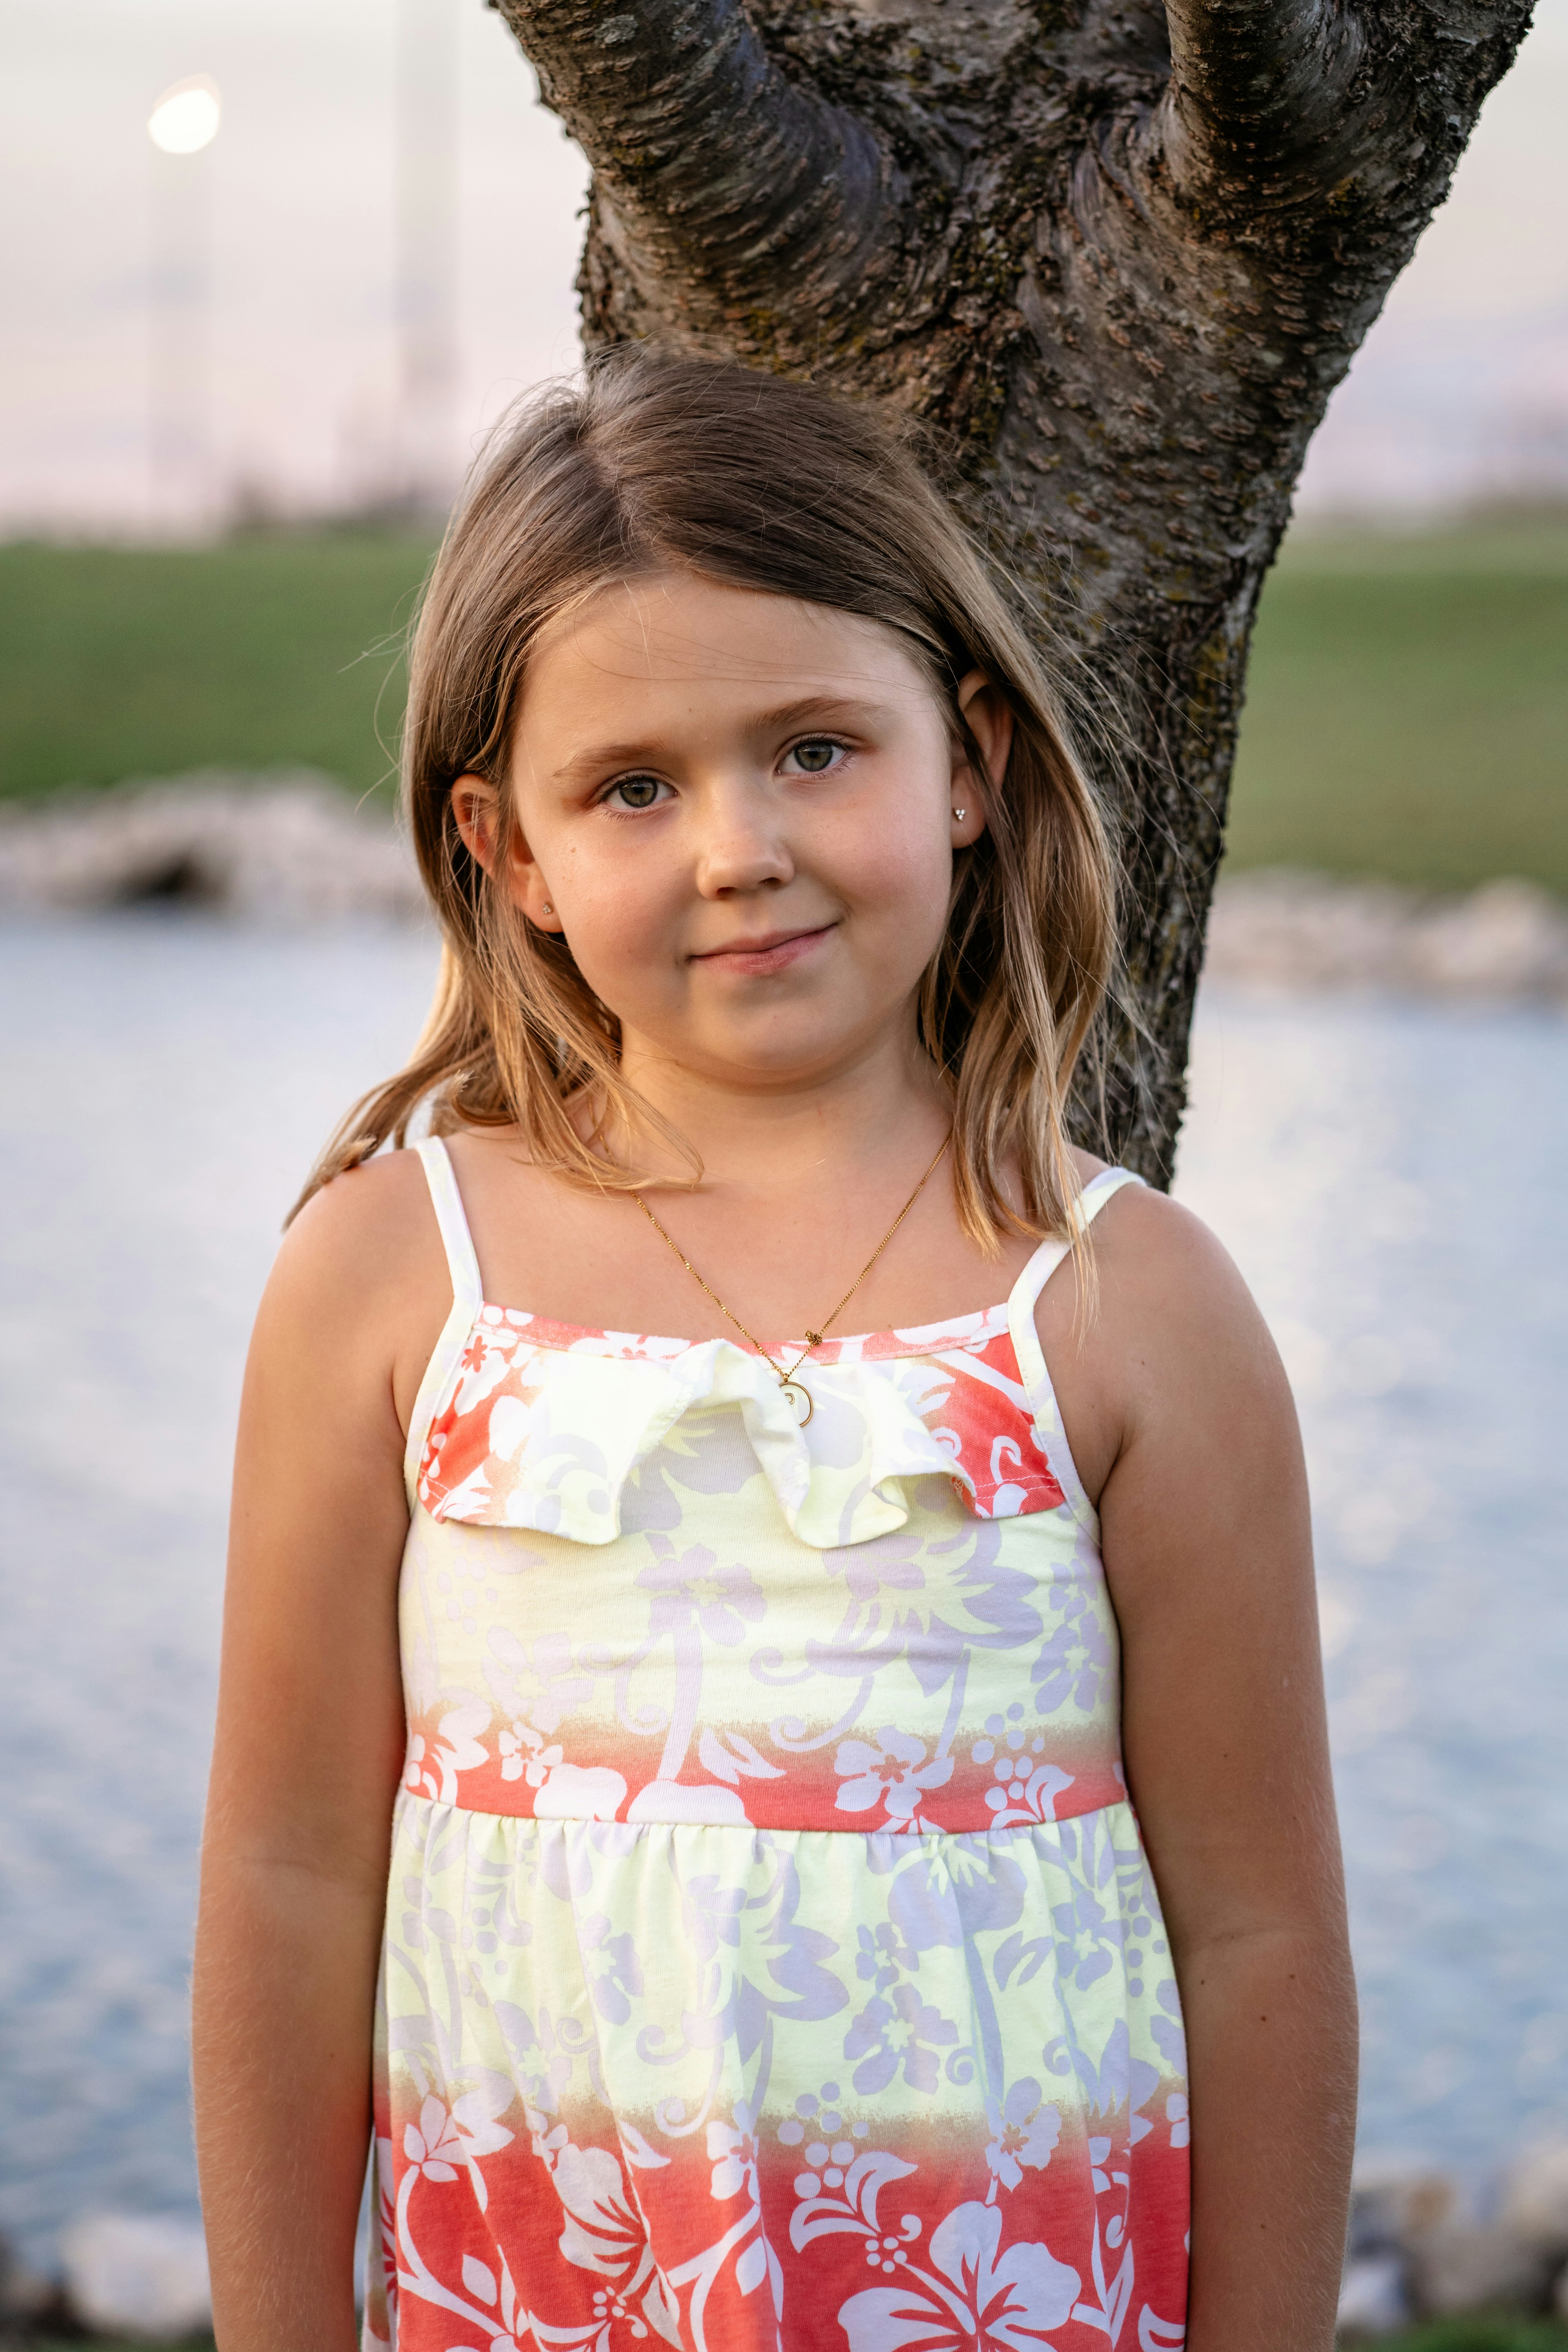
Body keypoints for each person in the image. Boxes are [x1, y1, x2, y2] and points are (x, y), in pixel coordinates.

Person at [192, 349, 1356, 2352]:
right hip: (539, 2297)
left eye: (817, 747)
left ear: (968, 760)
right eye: (633, 788)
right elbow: (291, 1882)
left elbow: (1258, 1935)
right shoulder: (394, 1278)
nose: (737, 845)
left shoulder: (1123, 1304)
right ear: (513, 854)